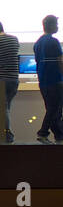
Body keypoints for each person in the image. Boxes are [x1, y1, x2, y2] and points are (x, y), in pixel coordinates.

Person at [34, 13, 63, 144]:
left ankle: (59, 135)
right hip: (55, 80)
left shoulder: (38, 43)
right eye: (56, 24)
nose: (57, 27)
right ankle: (43, 133)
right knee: (54, 109)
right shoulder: (54, 42)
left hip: (43, 81)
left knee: (52, 109)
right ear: (50, 25)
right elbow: (60, 62)